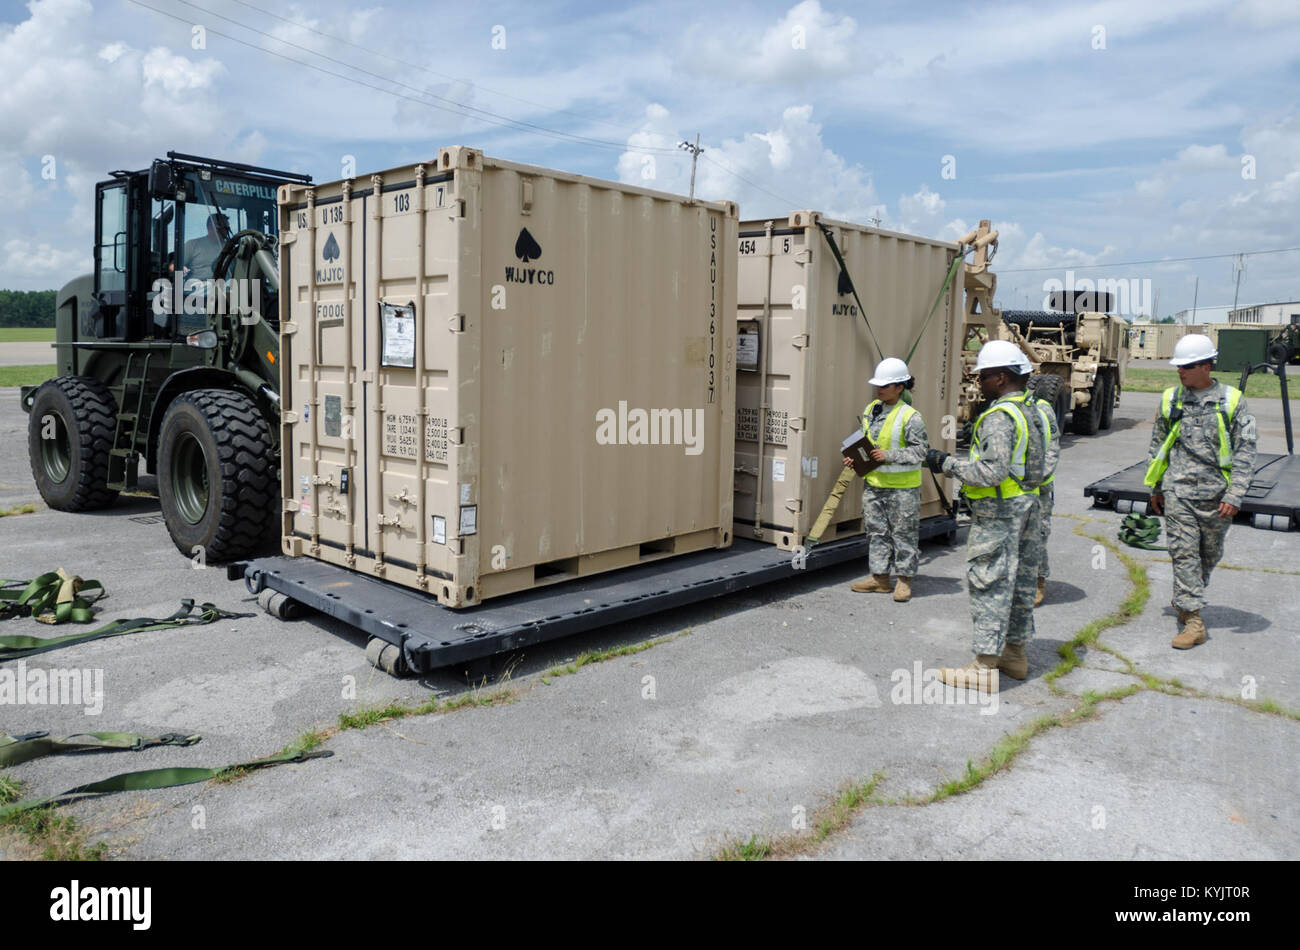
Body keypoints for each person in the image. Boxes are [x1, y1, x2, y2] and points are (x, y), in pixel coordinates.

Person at [924, 340, 1047, 691]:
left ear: (1001, 378)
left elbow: (991, 472)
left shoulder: (997, 418)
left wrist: (946, 463)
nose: (978, 382)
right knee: (1022, 584)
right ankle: (1015, 656)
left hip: (999, 513)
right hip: (1027, 507)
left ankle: (983, 667)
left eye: (983, 376)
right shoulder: (1033, 411)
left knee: (990, 583)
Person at [1144, 333, 1256, 649]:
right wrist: (1155, 486)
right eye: (1178, 366)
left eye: (1188, 366)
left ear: (1207, 366)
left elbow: (1246, 450)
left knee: (1209, 553)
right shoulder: (1170, 399)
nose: (1181, 372)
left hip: (1217, 496)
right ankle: (1194, 619)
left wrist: (1235, 494)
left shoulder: (1232, 401)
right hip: (1178, 491)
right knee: (1183, 553)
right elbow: (1157, 446)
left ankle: (1187, 593)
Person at [845, 357, 928, 602]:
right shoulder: (871, 409)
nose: (879, 389)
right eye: (878, 385)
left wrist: (888, 456)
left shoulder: (911, 417)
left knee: (904, 535)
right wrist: (854, 458)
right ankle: (880, 578)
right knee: (876, 533)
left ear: (900, 387)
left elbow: (921, 451)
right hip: (874, 485)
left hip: (903, 489)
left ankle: (904, 581)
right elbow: (866, 442)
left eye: (885, 385)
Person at [1007, 384, 1060, 606]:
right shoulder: (1004, 409)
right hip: (1009, 488)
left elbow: (1052, 447)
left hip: (1038, 488)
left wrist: (1036, 479)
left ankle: (1038, 581)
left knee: (1037, 535)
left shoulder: (1042, 409)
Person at [183, 212, 231, 280]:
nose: (226, 231)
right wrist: (181, 268)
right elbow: (173, 266)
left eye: (227, 228)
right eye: (223, 227)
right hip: (199, 288)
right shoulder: (192, 245)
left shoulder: (231, 249)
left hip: (226, 287)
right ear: (210, 227)